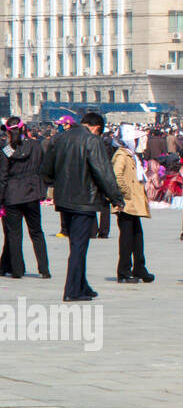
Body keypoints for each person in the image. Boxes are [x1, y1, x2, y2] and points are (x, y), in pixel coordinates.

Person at [40, 111, 124, 302]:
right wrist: (116, 197)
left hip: (64, 199)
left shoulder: (59, 138)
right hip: (84, 200)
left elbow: (46, 170)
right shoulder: (92, 141)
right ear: (96, 128)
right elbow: (103, 171)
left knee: (76, 244)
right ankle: (72, 290)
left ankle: (81, 284)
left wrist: (55, 183)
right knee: (79, 246)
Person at [0, 118, 50, 279]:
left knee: (14, 234)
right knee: (36, 232)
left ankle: (17, 270)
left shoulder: (7, 150)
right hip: (32, 193)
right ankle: (44, 269)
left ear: (8, 132)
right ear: (23, 129)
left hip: (12, 195)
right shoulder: (35, 145)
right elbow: (43, 168)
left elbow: (3, 176)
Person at [110, 125, 154, 284]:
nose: (137, 142)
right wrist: (126, 193)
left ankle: (139, 267)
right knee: (127, 238)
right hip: (126, 203)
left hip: (133, 202)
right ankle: (124, 270)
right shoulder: (122, 155)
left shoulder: (131, 155)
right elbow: (116, 176)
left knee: (137, 235)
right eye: (135, 139)